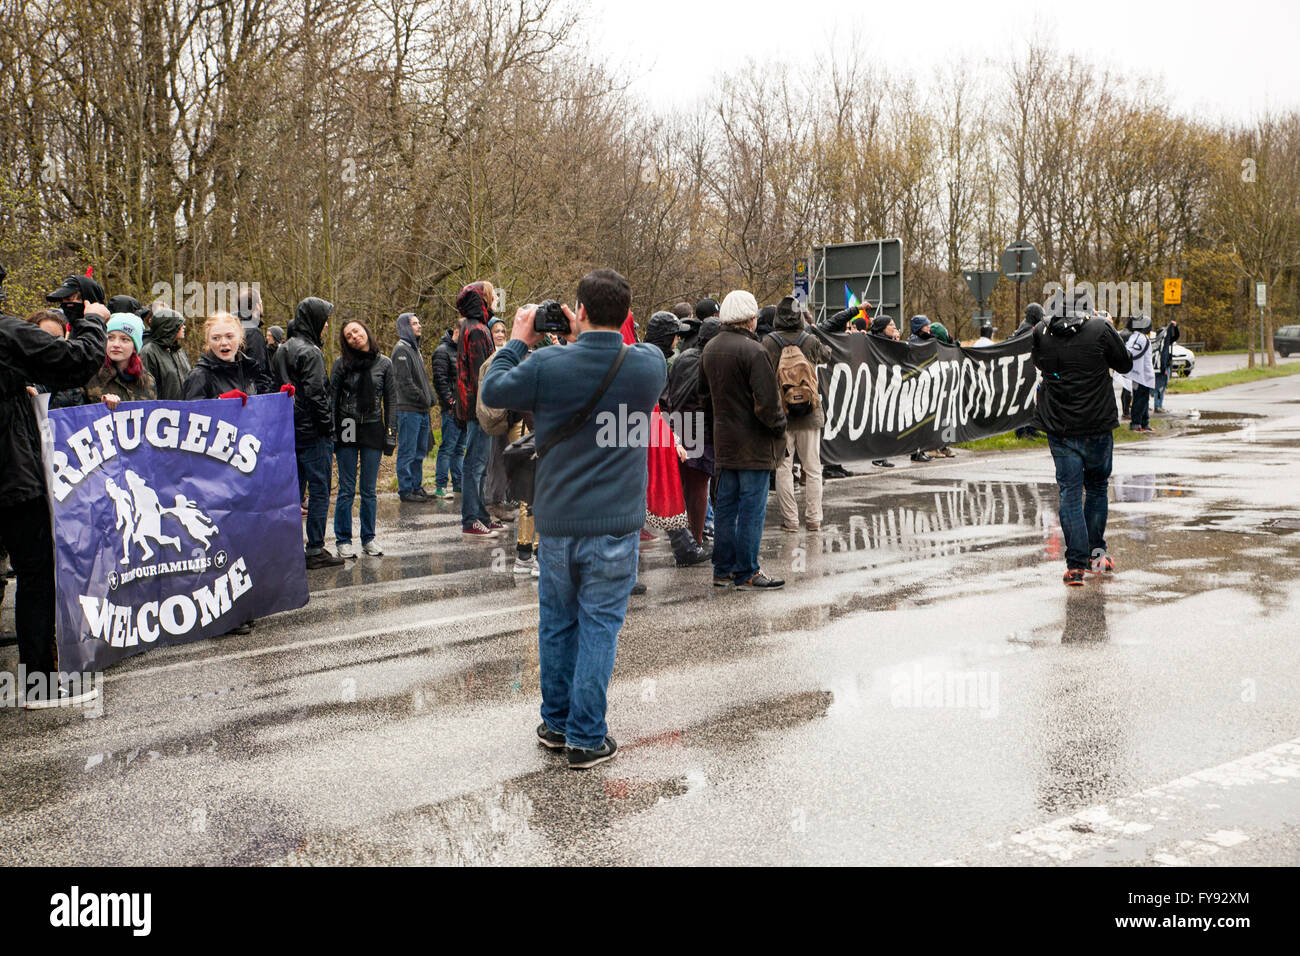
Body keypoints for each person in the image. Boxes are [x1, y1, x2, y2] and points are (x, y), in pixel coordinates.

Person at [479, 268, 665, 769]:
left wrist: (520, 339)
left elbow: (494, 391)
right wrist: (583, 334)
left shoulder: (548, 365)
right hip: (616, 522)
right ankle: (587, 736)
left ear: (578, 310)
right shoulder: (649, 366)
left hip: (557, 521)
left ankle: (557, 724)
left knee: (557, 623)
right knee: (600, 626)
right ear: (626, 315)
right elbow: (629, 348)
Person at [0, 282, 106, 707]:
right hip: (9, 478)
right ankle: (37, 684)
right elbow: (73, 362)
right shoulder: (7, 332)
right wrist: (90, 321)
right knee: (36, 572)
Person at [1030, 287, 1133, 586]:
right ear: (1087, 309)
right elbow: (1124, 363)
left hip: (1060, 426)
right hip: (1097, 423)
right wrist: (1110, 327)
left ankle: (1075, 566)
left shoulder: (1041, 331)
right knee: (1098, 489)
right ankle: (1095, 556)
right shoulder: (1101, 329)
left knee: (1070, 493)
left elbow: (1040, 364)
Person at [700, 289, 787, 590]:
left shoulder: (709, 348)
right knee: (751, 509)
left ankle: (722, 569)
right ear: (751, 319)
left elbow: (704, 398)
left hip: (724, 442)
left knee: (725, 508)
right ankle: (747, 570)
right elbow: (767, 403)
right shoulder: (755, 351)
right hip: (754, 445)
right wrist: (779, 428)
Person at [630, 312, 709, 567]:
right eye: (675, 335)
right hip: (642, 433)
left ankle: (683, 545)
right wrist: (671, 438)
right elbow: (654, 405)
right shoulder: (653, 361)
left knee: (651, 489)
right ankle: (681, 547)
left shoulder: (648, 357)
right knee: (652, 489)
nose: (677, 340)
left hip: (642, 430)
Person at [272, 296, 344, 568]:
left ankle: (290, 547)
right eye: (324, 320)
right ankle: (315, 548)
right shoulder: (311, 352)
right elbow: (316, 395)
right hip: (313, 434)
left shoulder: (282, 349)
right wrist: (328, 429)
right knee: (319, 491)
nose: (326, 326)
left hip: (289, 432)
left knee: (293, 492)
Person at [331, 319, 397, 557]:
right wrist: (332, 431)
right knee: (347, 488)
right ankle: (343, 540)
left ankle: (368, 538)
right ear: (346, 341)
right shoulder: (341, 364)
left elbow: (391, 401)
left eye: (356, 331)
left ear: (366, 332)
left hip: (372, 426)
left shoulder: (385, 364)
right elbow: (333, 399)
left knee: (368, 489)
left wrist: (391, 433)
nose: (354, 336)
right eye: (348, 335)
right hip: (347, 424)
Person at [763, 295, 828, 533]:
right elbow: (827, 356)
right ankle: (814, 519)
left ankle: (790, 520)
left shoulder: (769, 342)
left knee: (783, 467)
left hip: (782, 414)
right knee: (812, 468)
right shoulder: (809, 341)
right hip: (810, 413)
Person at [666, 316, 721, 547]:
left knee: (684, 486)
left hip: (678, 423)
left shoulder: (683, 357)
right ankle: (695, 541)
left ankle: (686, 539)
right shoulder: (711, 360)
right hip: (701, 428)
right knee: (699, 486)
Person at [455, 281, 502, 537]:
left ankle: (481, 514)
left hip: (477, 408)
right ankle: (470, 518)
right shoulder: (475, 330)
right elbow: (479, 375)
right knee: (475, 464)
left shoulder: (478, 327)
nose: (495, 299)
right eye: (492, 295)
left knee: (481, 464)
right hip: (478, 409)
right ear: (482, 298)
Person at [391, 311, 436, 502]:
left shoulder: (414, 349)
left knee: (419, 452)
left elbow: (423, 381)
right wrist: (424, 399)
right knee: (407, 452)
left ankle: (417, 487)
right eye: (414, 323)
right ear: (405, 327)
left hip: (421, 410)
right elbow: (405, 383)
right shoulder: (401, 350)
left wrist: (430, 398)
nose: (419, 326)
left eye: (419, 323)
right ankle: (406, 489)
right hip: (408, 410)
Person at [182, 312, 265, 399]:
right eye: (216, 338)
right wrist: (221, 403)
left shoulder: (249, 368)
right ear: (208, 341)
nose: (223, 343)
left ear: (240, 338)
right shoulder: (199, 377)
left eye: (229, 336)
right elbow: (190, 411)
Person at [84, 313, 156, 408]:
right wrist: (101, 407)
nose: (116, 344)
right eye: (110, 338)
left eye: (124, 339)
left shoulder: (147, 381)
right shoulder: (89, 376)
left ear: (135, 347)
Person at [431, 324, 464, 499]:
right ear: (457, 331)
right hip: (451, 409)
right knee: (448, 447)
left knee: (460, 448)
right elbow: (440, 381)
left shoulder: (463, 351)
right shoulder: (442, 351)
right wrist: (451, 402)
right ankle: (441, 486)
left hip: (464, 408)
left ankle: (458, 484)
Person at [140, 306, 191, 401]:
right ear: (168, 327)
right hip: (162, 412)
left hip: (185, 409)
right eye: (179, 324)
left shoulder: (179, 351)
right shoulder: (149, 352)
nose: (184, 327)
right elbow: (145, 390)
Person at [236, 286, 276, 393]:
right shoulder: (253, 333)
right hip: (254, 397)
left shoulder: (235, 329)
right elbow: (259, 373)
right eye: (260, 301)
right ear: (256, 306)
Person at [1124, 314, 1154, 432]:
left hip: (1144, 375)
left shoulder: (1139, 337)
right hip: (1140, 375)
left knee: (1144, 399)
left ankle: (1144, 422)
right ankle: (1136, 423)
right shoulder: (1139, 338)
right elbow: (1131, 352)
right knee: (1139, 399)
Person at [1152, 318, 1180, 412]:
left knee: (1162, 387)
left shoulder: (1167, 343)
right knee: (1159, 387)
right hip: (1161, 367)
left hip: (1166, 366)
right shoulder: (1158, 345)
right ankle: (1157, 405)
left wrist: (1175, 328)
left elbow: (1176, 336)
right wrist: (1163, 368)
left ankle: (1160, 405)